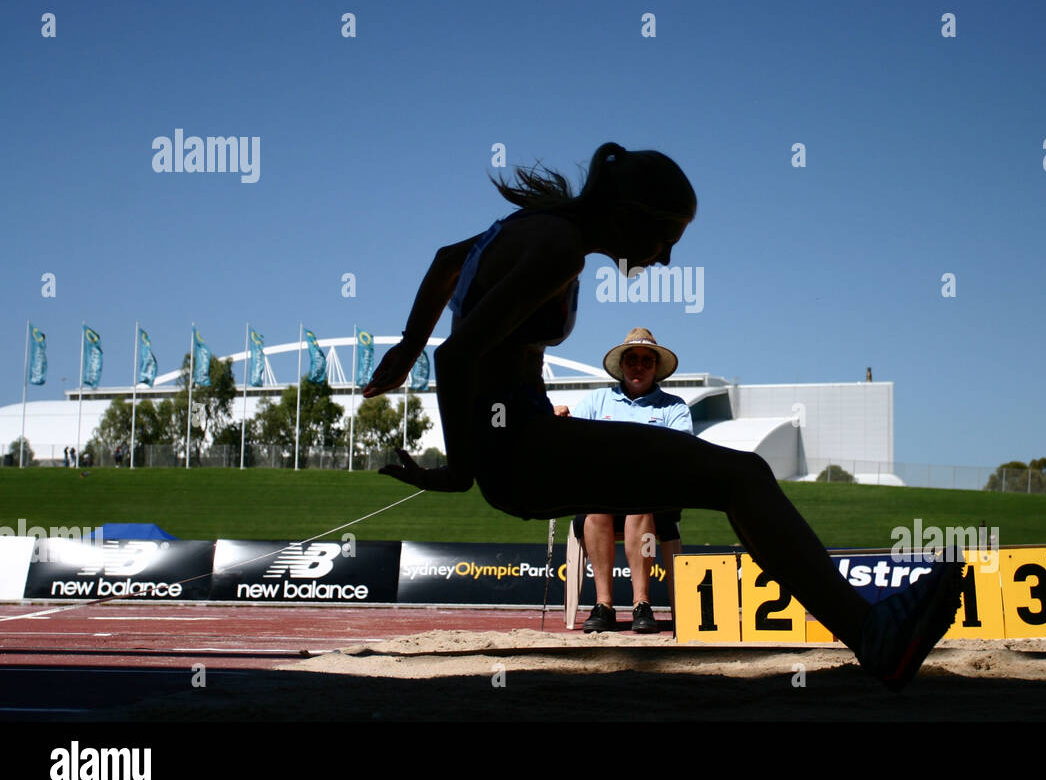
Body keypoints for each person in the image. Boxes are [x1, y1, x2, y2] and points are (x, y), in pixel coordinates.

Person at [365, 141, 963, 691]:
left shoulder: (527, 227)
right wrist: (460, 467)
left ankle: (869, 632)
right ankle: (871, 635)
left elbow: (448, 261)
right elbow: (459, 353)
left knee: (737, 476)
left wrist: (406, 346)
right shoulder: (559, 247)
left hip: (521, 438)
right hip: (521, 445)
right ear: (629, 216)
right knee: (742, 476)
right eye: (666, 237)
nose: (668, 257)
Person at [553, 328, 691, 633]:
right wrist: (557, 421)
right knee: (597, 507)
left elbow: (681, 452)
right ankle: (604, 605)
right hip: (604, 494)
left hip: (653, 499)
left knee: (640, 505)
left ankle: (642, 603)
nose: (639, 366)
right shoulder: (596, 401)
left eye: (646, 360)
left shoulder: (674, 407)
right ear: (622, 365)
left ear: (656, 367)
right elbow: (569, 444)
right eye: (632, 359)